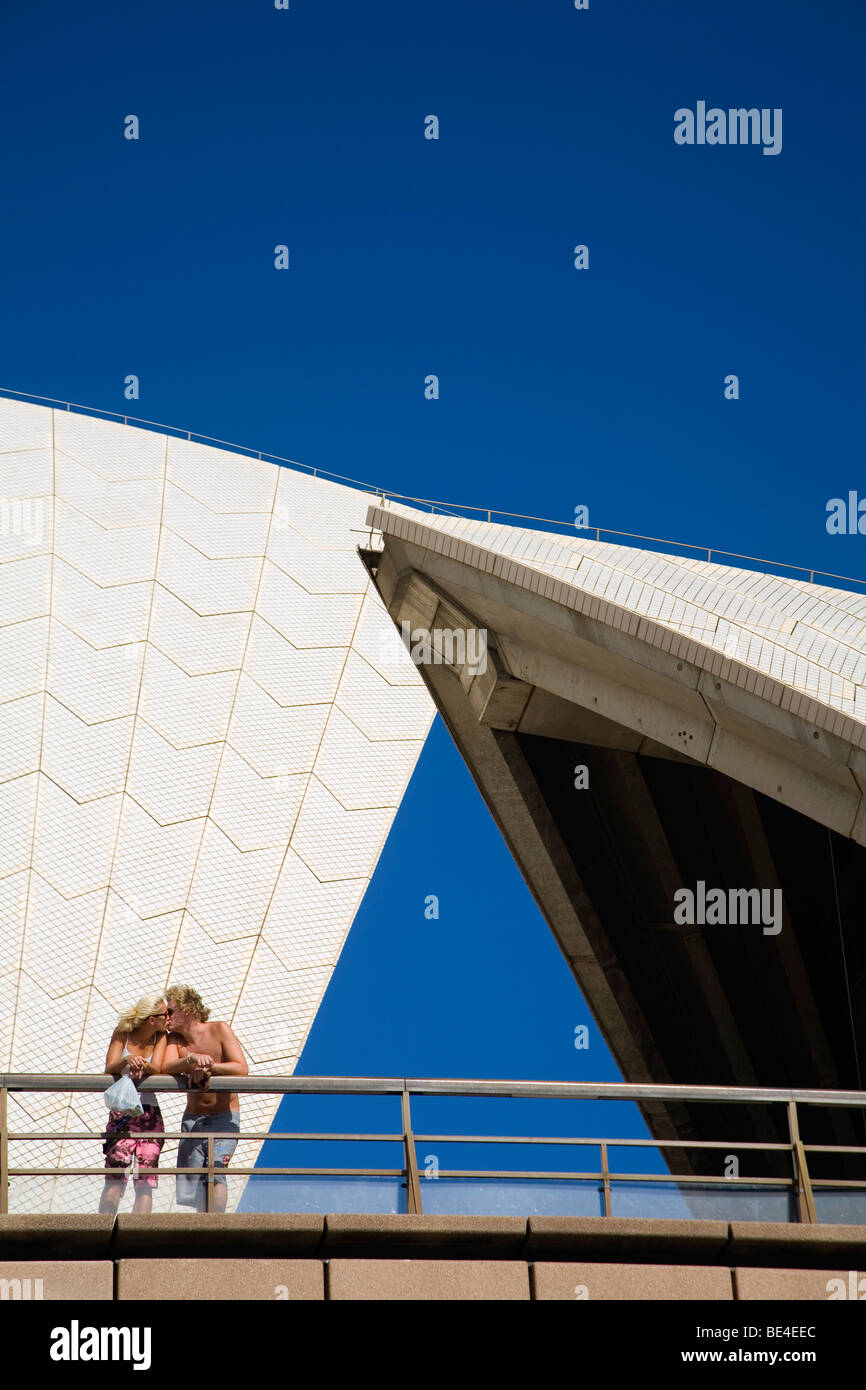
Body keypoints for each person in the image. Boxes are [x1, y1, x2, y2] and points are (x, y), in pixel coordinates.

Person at [161, 985, 248, 1213]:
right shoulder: (175, 1040)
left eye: (170, 1011)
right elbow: (166, 1065)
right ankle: (203, 1229)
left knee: (217, 1170)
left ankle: (216, 1223)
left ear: (187, 1010)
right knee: (195, 1183)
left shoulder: (219, 1029)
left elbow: (241, 1068)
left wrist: (209, 1068)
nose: (166, 1017)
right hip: (194, 1117)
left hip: (224, 1117)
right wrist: (191, 1061)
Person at [98, 993, 168, 1215]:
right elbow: (110, 1066)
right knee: (115, 1180)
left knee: (145, 1184)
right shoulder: (124, 1032)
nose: (169, 1017)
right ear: (151, 1019)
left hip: (149, 1114)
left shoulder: (161, 1037)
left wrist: (144, 1067)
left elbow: (156, 1066)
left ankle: (139, 1243)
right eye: (165, 1014)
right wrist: (127, 1060)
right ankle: (103, 1235)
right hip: (123, 1114)